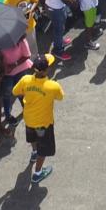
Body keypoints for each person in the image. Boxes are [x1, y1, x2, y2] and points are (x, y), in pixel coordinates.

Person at [13, 53, 65, 185]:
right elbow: (60, 97)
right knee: (44, 149)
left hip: (29, 119)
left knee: (33, 139)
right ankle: (37, 173)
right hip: (44, 124)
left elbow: (15, 91)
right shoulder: (53, 86)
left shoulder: (25, 80)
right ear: (46, 70)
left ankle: (34, 152)